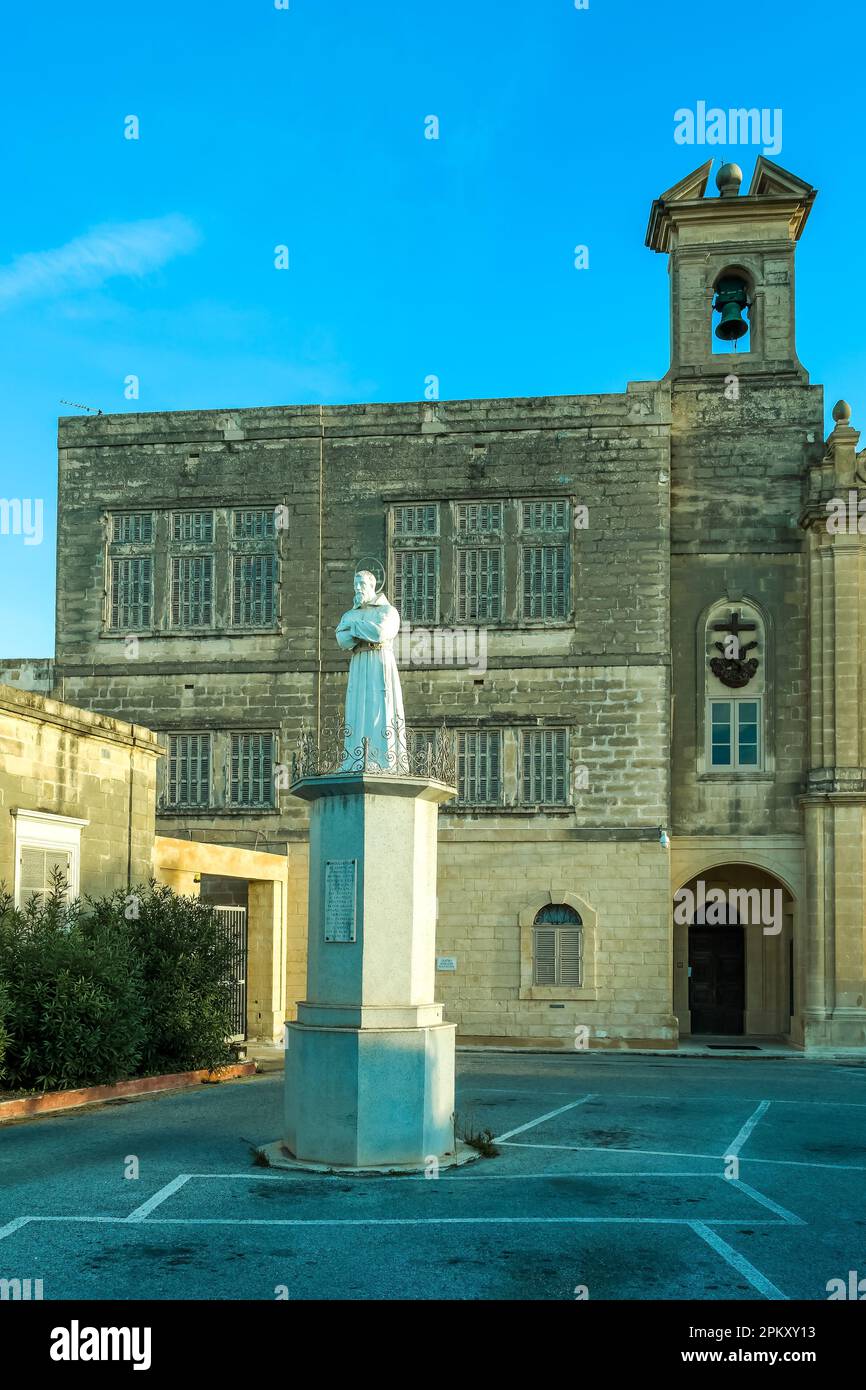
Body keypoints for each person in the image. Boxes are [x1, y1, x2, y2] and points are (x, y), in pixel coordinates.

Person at [335, 570, 408, 772]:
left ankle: (385, 760)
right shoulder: (349, 614)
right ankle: (354, 759)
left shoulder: (388, 611)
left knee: (379, 706)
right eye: (355, 584)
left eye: (362, 584)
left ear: (373, 585)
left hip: (379, 661)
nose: (357, 588)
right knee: (358, 707)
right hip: (358, 662)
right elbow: (342, 640)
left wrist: (354, 627)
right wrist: (363, 629)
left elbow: (381, 632)